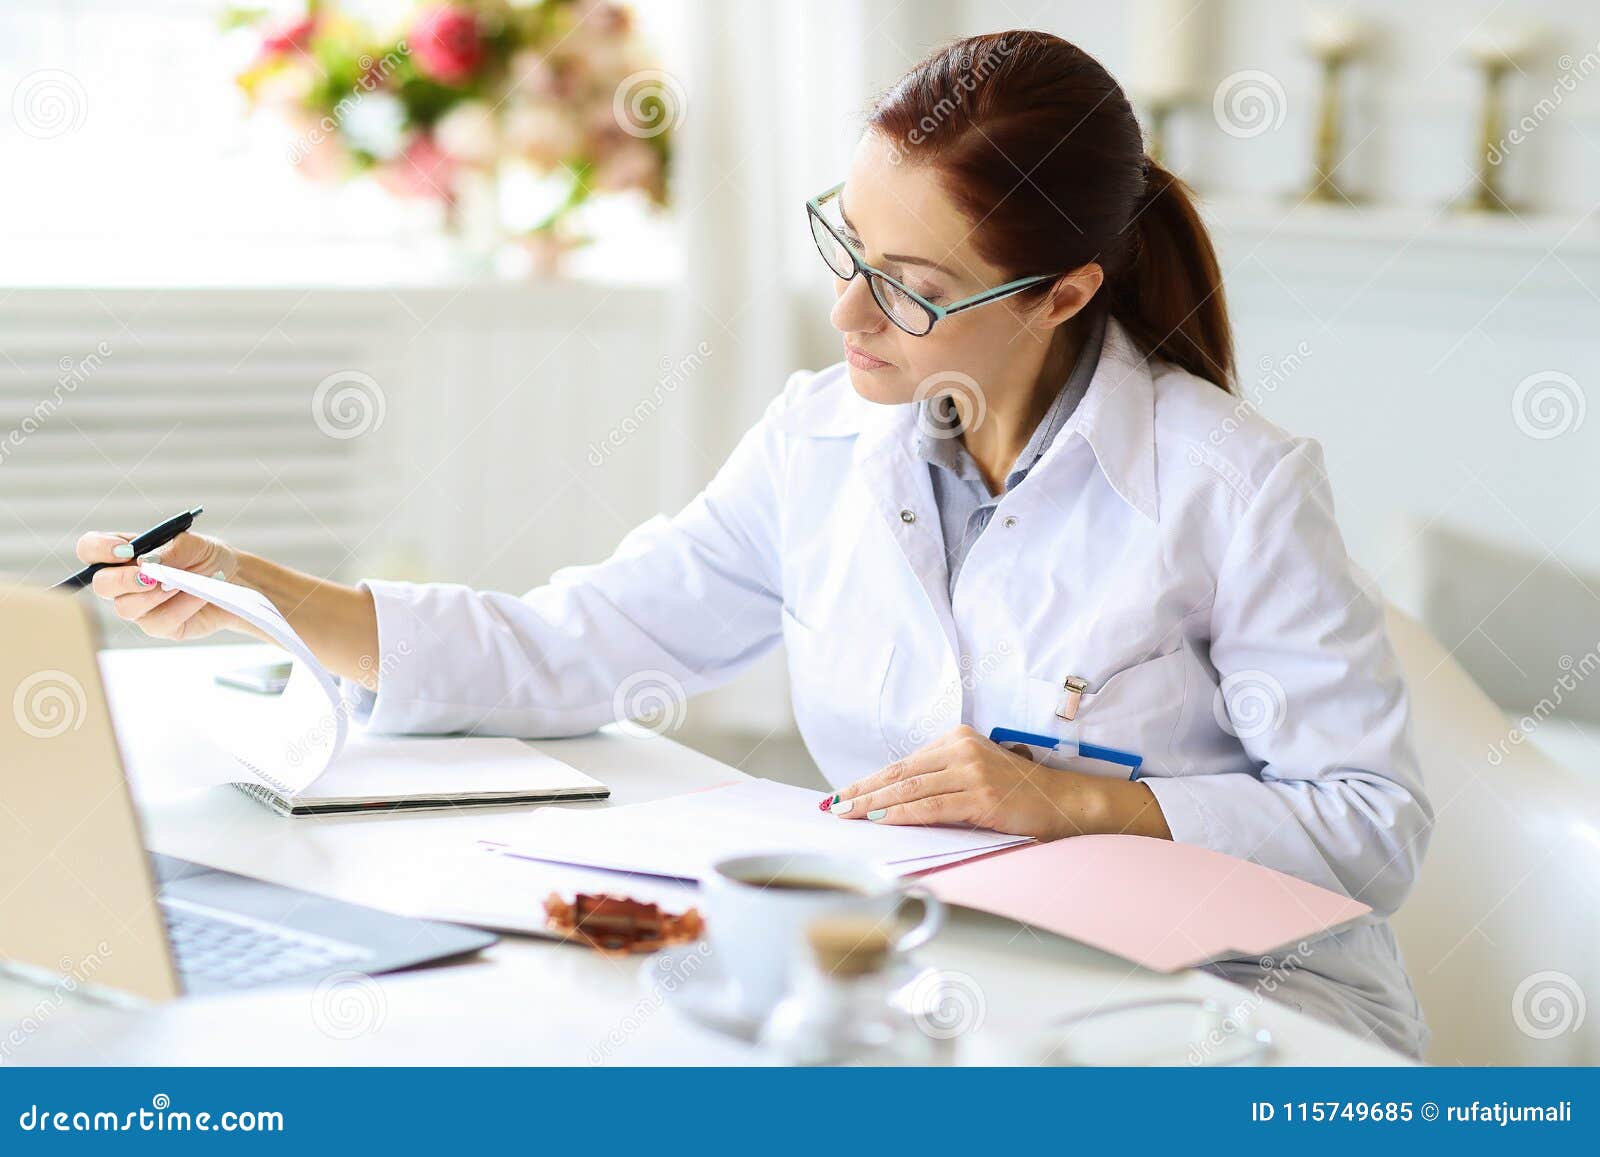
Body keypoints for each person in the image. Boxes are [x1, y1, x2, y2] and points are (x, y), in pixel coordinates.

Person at [77, 31, 1431, 1056]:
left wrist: (1081, 800)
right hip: (951, 972)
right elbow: (576, 643)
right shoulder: (822, 439)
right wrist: (265, 590)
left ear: (1063, 295)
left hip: (1232, 1007)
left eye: (912, 289)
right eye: (850, 244)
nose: (849, 314)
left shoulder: (1232, 486)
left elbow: (1372, 825)